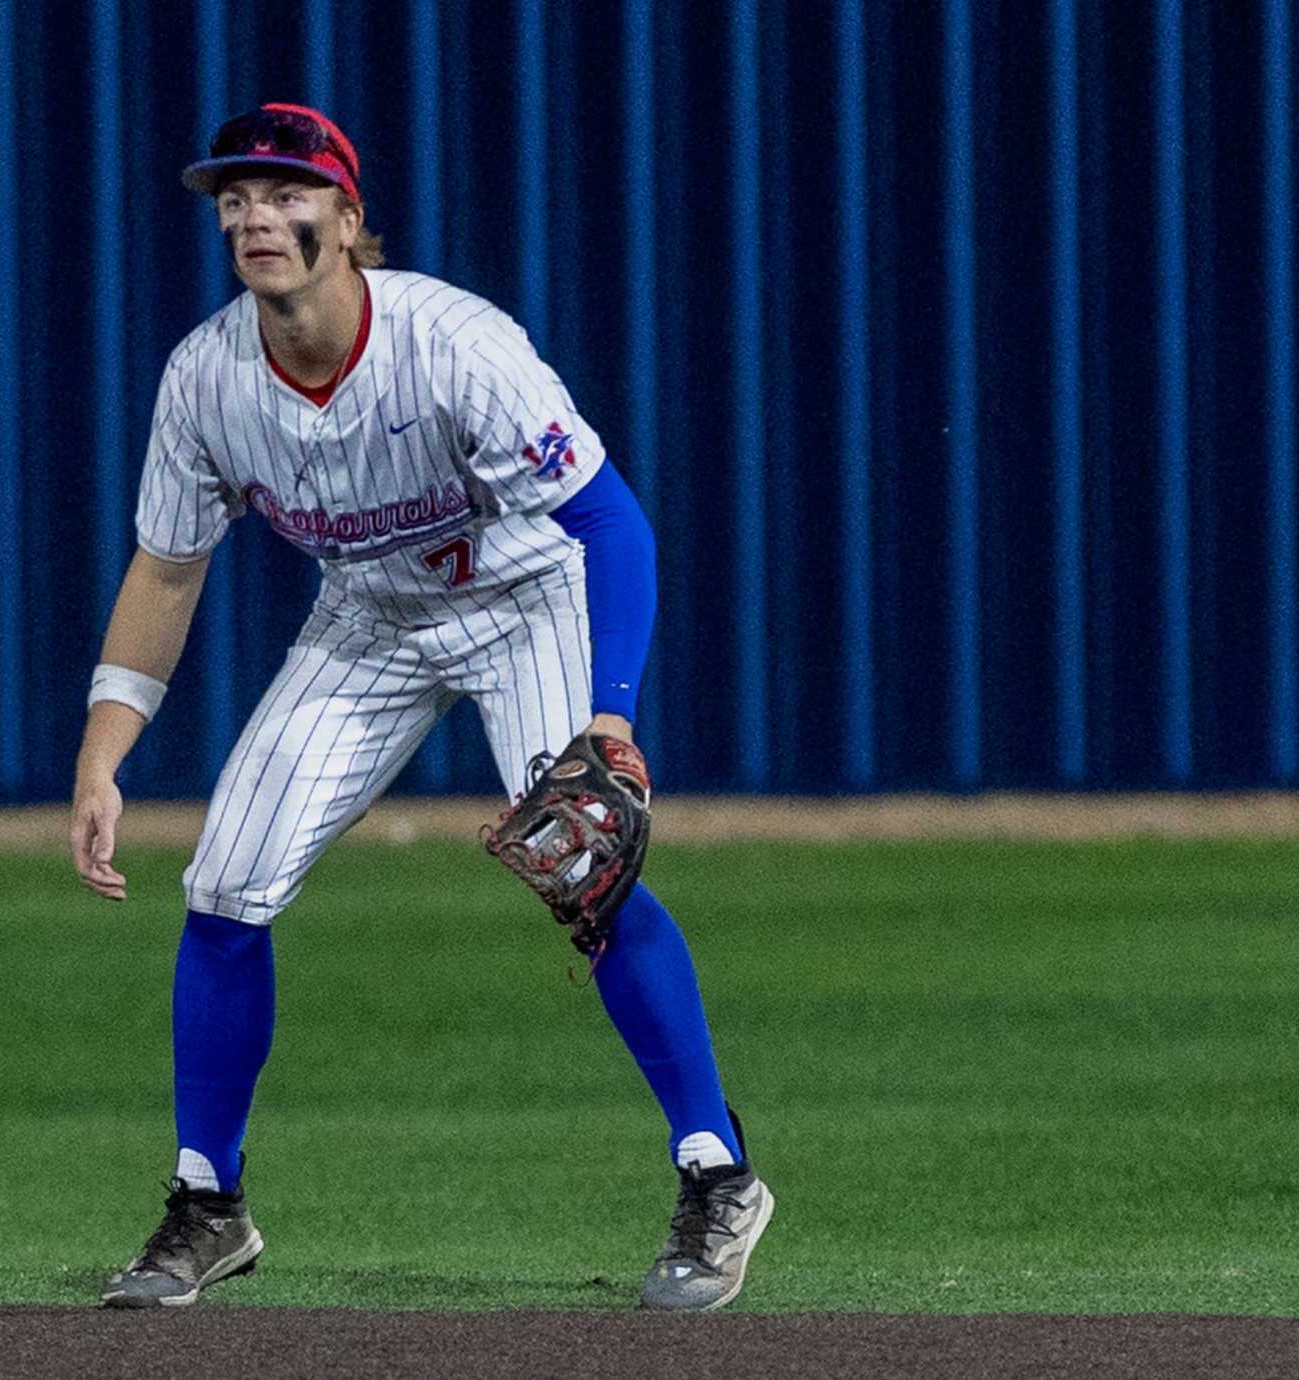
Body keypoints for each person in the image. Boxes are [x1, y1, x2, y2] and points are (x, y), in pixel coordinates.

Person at [69, 103, 773, 1312]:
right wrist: (102, 753)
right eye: (234, 197)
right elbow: (167, 569)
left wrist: (609, 718)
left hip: (523, 593)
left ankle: (718, 1174)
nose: (254, 215)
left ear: (348, 223)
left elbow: (610, 521)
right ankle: (206, 1203)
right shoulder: (206, 378)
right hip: (371, 616)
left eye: (286, 194)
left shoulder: (452, 345)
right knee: (223, 886)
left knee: (582, 868)